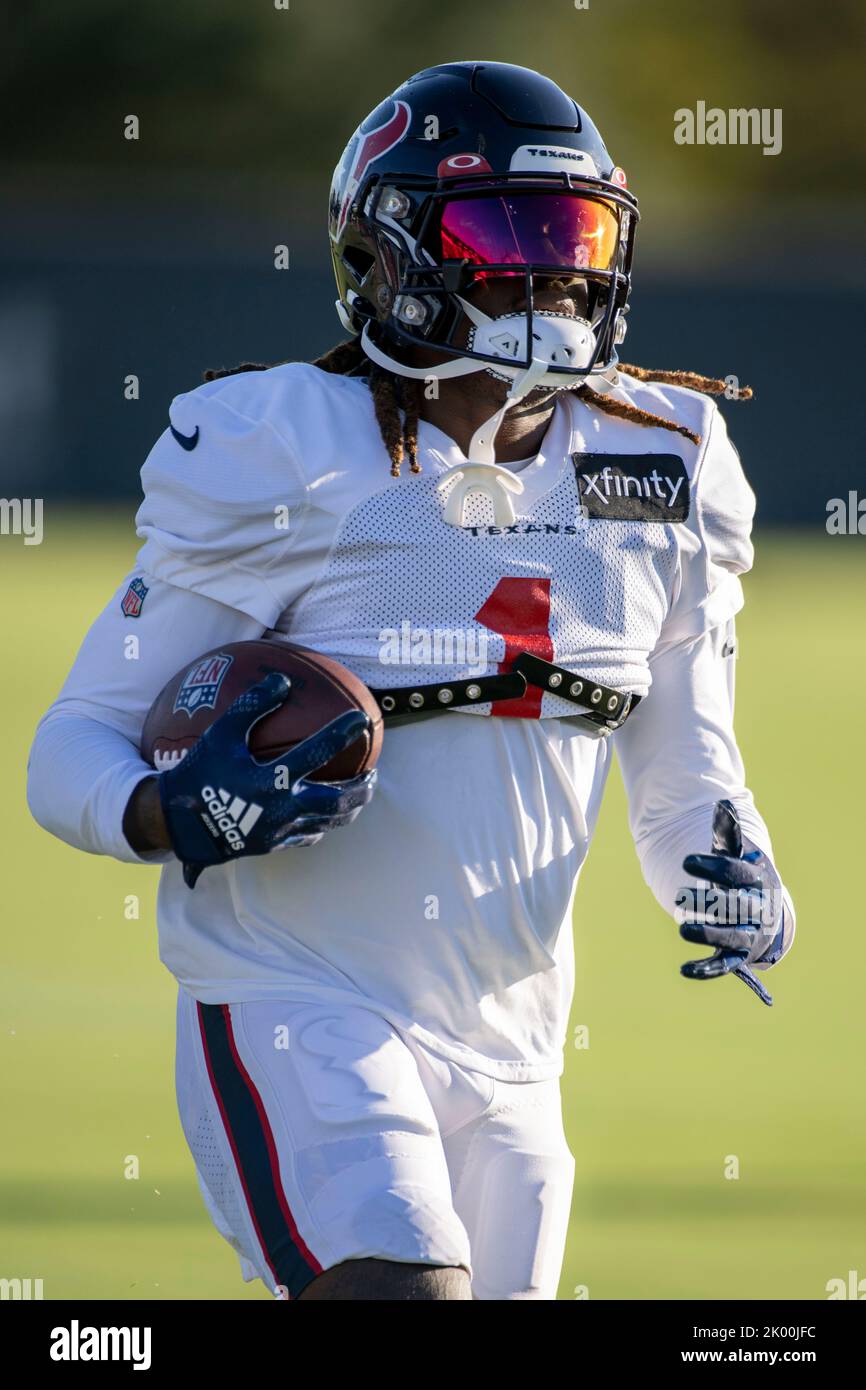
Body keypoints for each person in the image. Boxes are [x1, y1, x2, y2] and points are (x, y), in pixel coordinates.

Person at [27, 61, 794, 1301]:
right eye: (505, 234)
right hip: (292, 996)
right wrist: (172, 811)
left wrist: (737, 877)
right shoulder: (280, 443)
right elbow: (73, 745)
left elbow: (685, 775)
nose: (553, 275)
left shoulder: (667, 455)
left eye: (578, 236)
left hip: (514, 1045)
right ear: (388, 253)